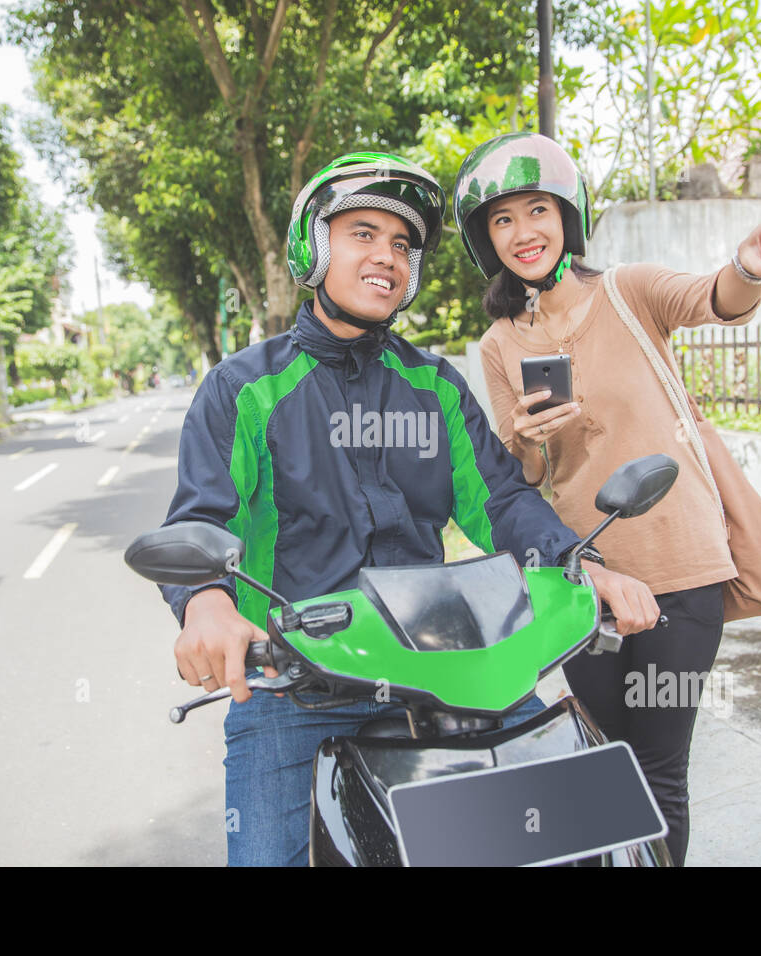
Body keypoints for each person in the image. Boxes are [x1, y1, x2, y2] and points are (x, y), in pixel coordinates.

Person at [155, 151, 660, 866]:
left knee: (584, 838)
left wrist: (585, 567)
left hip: (446, 670)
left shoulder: (435, 387)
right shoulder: (242, 389)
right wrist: (204, 601)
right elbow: (198, 524)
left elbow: (502, 499)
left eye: (402, 245)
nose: (386, 257)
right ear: (314, 246)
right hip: (296, 685)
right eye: (363, 234)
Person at [456, 131, 761, 866]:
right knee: (597, 760)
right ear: (487, 240)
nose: (524, 232)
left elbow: (714, 297)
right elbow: (515, 481)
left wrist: (750, 267)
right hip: (581, 583)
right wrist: (521, 433)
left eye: (536, 211)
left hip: (681, 572)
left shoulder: (629, 290)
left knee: (658, 767)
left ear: (567, 218)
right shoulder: (498, 344)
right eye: (503, 220)